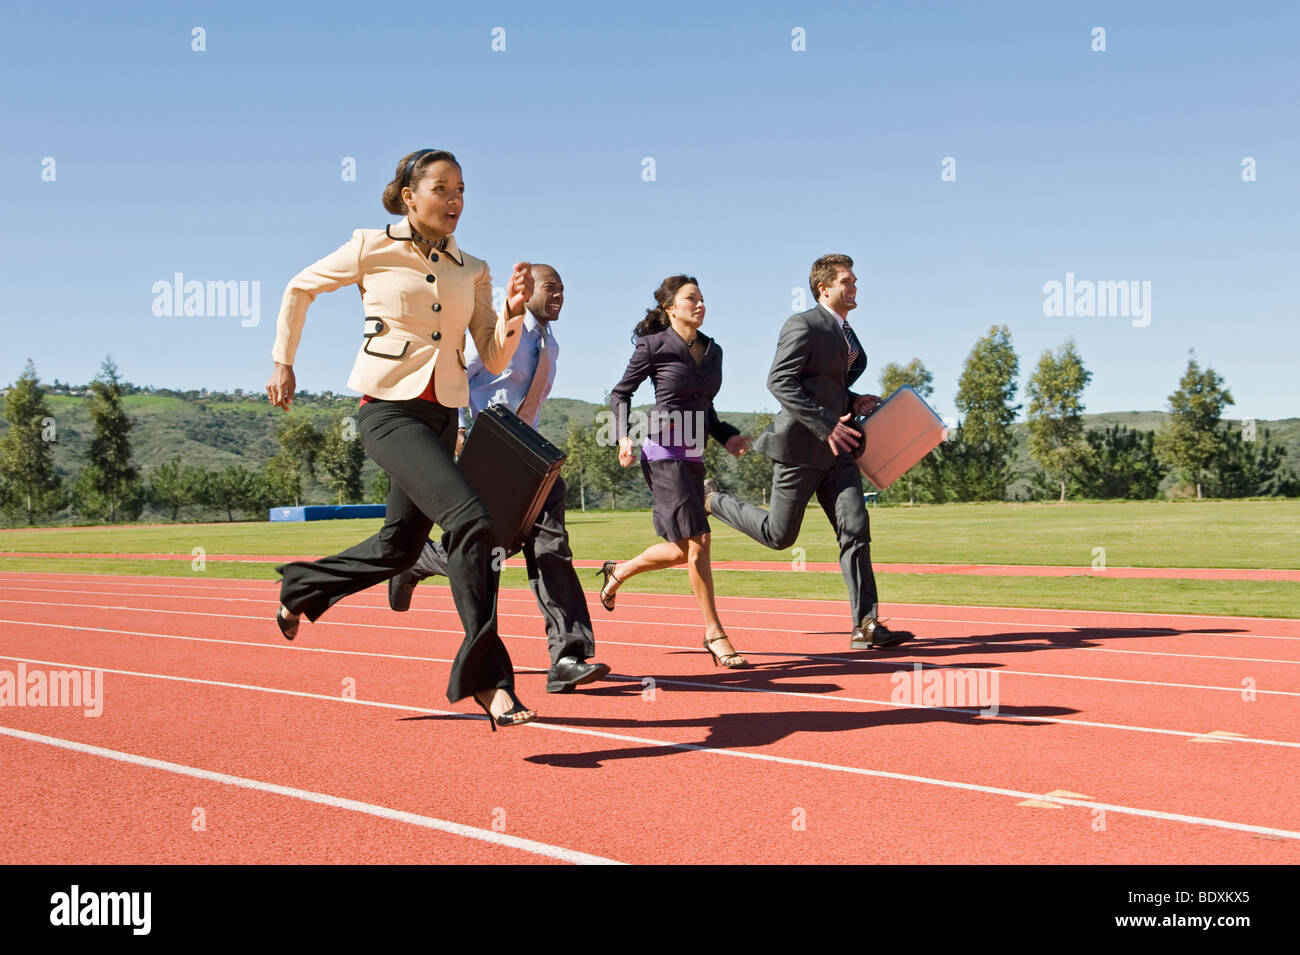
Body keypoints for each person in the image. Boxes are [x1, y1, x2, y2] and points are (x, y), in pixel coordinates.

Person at [266, 148, 540, 730]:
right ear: (410, 195)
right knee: (472, 521)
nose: (456, 200)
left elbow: (491, 355)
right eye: (443, 188)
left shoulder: (474, 269)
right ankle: (490, 682)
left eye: (462, 189)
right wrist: (283, 360)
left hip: (442, 414)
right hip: (389, 411)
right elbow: (299, 287)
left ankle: (301, 586)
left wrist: (512, 314)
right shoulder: (372, 246)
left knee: (399, 548)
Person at [387, 264, 612, 694]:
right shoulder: (500, 336)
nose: (560, 295)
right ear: (525, 292)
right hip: (488, 453)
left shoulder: (551, 343)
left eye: (564, 288)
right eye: (551, 287)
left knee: (551, 547)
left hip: (530, 455)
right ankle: (418, 560)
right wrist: (454, 431)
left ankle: (567, 656)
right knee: (487, 551)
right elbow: (450, 375)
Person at [703, 254, 915, 650]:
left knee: (855, 529)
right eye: (847, 282)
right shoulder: (802, 324)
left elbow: (824, 385)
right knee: (780, 536)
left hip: (840, 450)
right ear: (824, 288)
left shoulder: (845, 332)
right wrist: (825, 422)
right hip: (802, 449)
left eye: (855, 281)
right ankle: (714, 501)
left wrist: (853, 399)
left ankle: (865, 625)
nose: (855, 287)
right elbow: (780, 381)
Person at [599, 276, 752, 668]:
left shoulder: (713, 351)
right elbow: (621, 393)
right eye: (691, 299)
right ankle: (715, 633)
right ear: (671, 308)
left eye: (702, 298)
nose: (699, 304)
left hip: (694, 453)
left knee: (683, 550)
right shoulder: (654, 346)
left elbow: (707, 407)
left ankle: (620, 570)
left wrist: (728, 437)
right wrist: (622, 437)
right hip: (662, 450)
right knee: (700, 539)